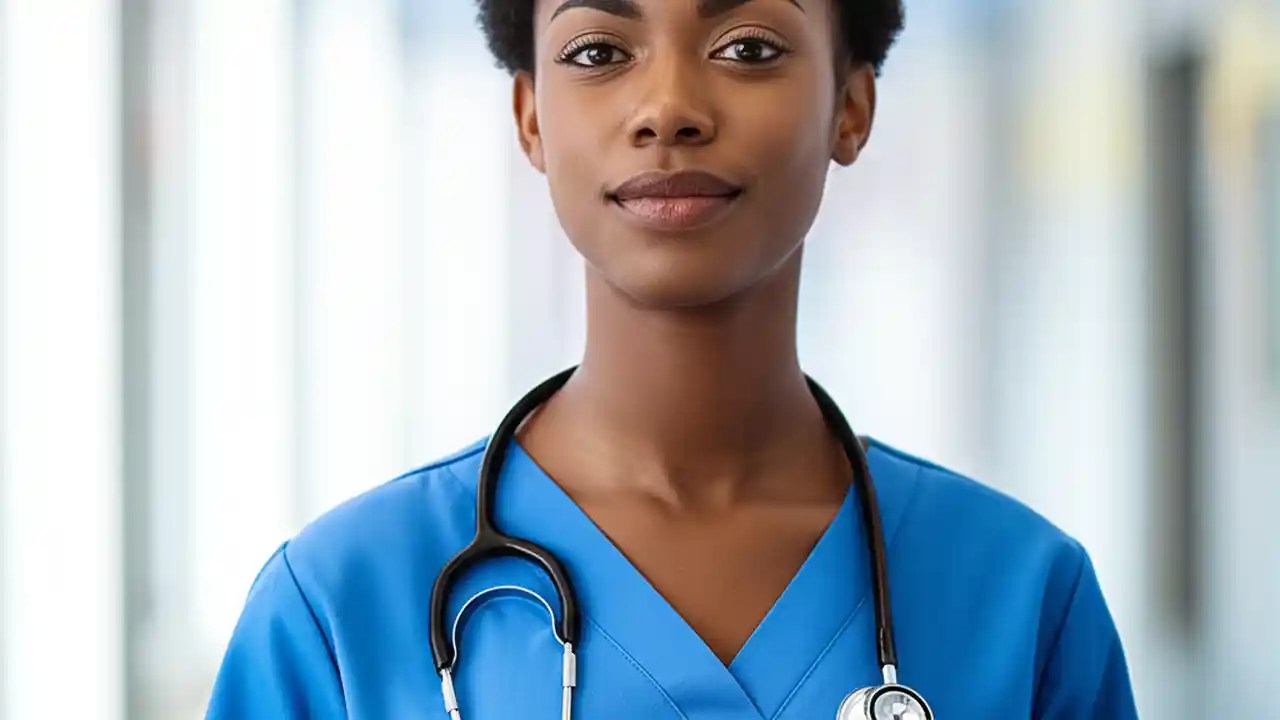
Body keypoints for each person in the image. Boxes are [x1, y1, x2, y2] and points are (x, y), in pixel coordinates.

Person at [206, 1, 1139, 718]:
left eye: (749, 48)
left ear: (851, 108)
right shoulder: (337, 610)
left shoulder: (1023, 600)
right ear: (530, 118)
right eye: (598, 52)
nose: (669, 110)